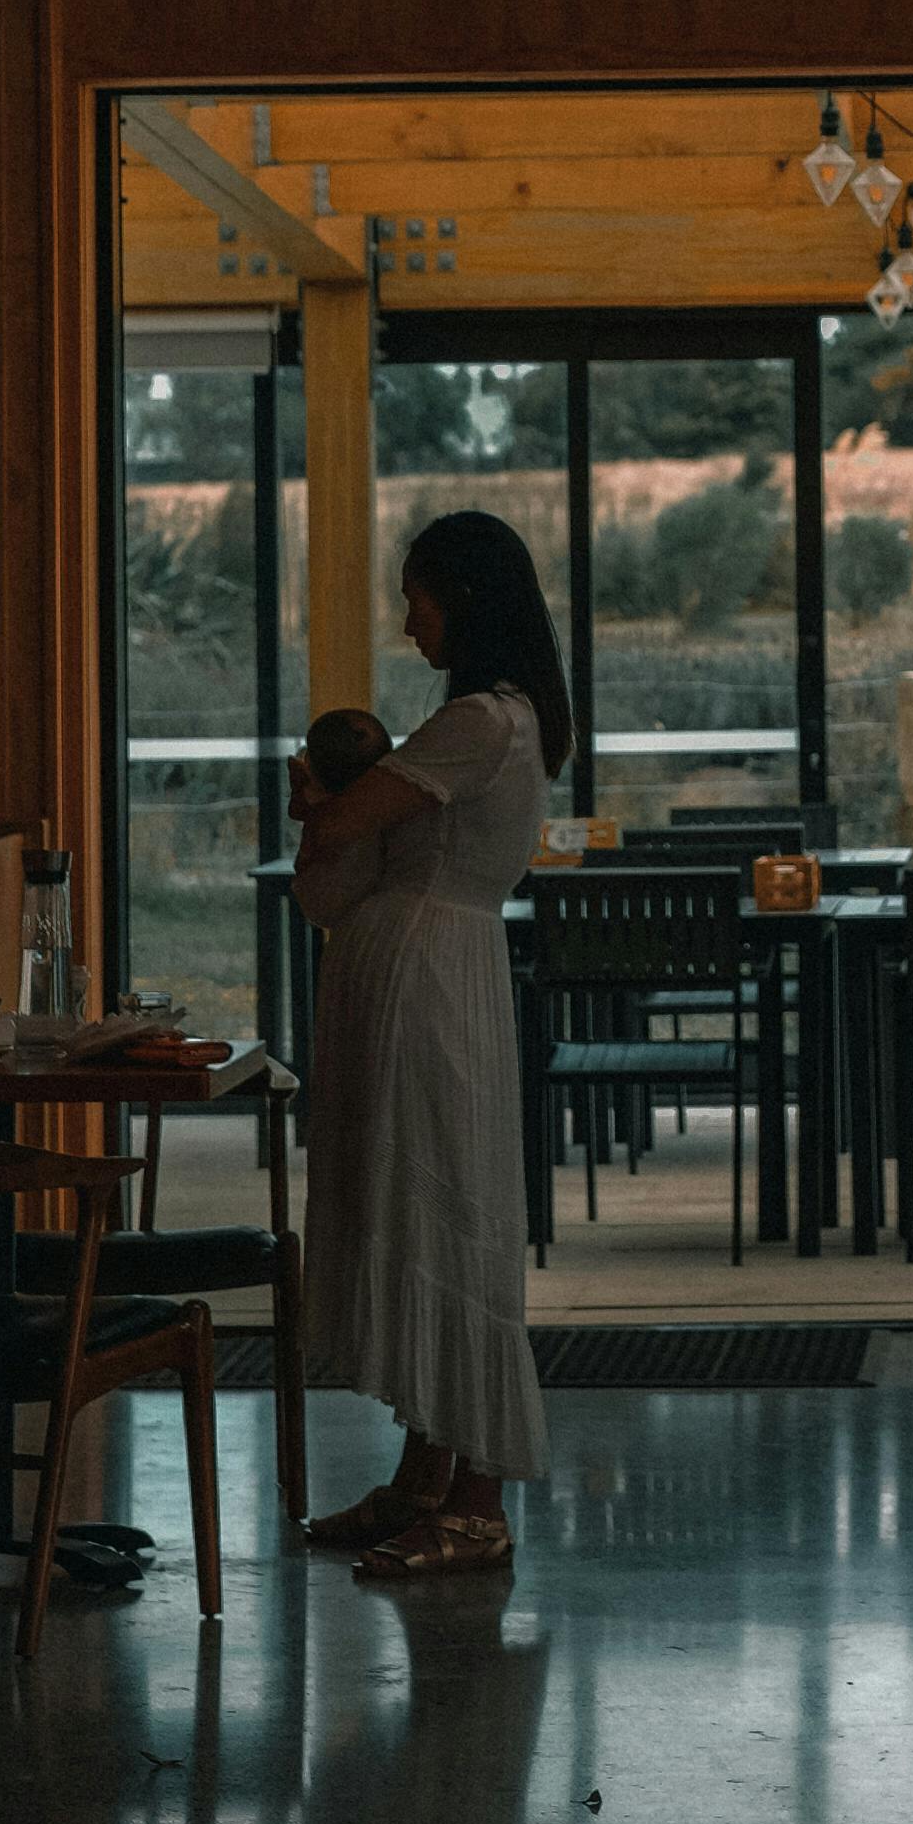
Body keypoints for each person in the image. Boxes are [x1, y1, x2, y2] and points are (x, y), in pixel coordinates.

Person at [289, 510, 559, 1576]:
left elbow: (347, 829)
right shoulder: (492, 723)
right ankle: (427, 1476)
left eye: (419, 597)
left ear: (467, 600)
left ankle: (476, 1494)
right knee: (434, 1201)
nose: (407, 622)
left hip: (425, 977)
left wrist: (324, 800)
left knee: (450, 1209)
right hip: (424, 969)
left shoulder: (482, 723)